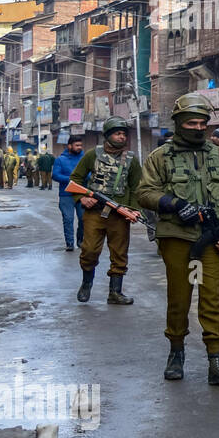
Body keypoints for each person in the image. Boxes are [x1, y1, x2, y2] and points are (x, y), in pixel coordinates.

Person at [135, 93, 219, 386]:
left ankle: (216, 362)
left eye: (202, 123)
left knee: (211, 299)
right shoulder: (159, 158)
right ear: (180, 124)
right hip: (177, 239)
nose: (198, 128)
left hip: (211, 239)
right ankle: (176, 352)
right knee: (180, 298)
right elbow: (144, 193)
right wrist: (172, 204)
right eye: (192, 123)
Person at [69, 117, 143, 304]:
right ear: (108, 135)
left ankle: (115, 293)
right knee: (89, 250)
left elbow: (137, 187)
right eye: (117, 133)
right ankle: (86, 284)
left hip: (119, 215)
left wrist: (133, 210)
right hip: (95, 213)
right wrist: (82, 198)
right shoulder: (93, 154)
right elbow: (75, 179)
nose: (121, 137)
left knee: (119, 253)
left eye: (124, 134)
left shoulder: (132, 160)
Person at [52, 137, 85, 251]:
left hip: (82, 194)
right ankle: (70, 243)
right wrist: (70, 179)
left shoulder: (84, 159)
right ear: (69, 146)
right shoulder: (60, 160)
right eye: (77, 145)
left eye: (80, 145)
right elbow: (55, 175)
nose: (79, 147)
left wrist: (84, 179)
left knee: (84, 219)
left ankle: (81, 240)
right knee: (68, 219)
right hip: (66, 195)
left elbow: (90, 173)